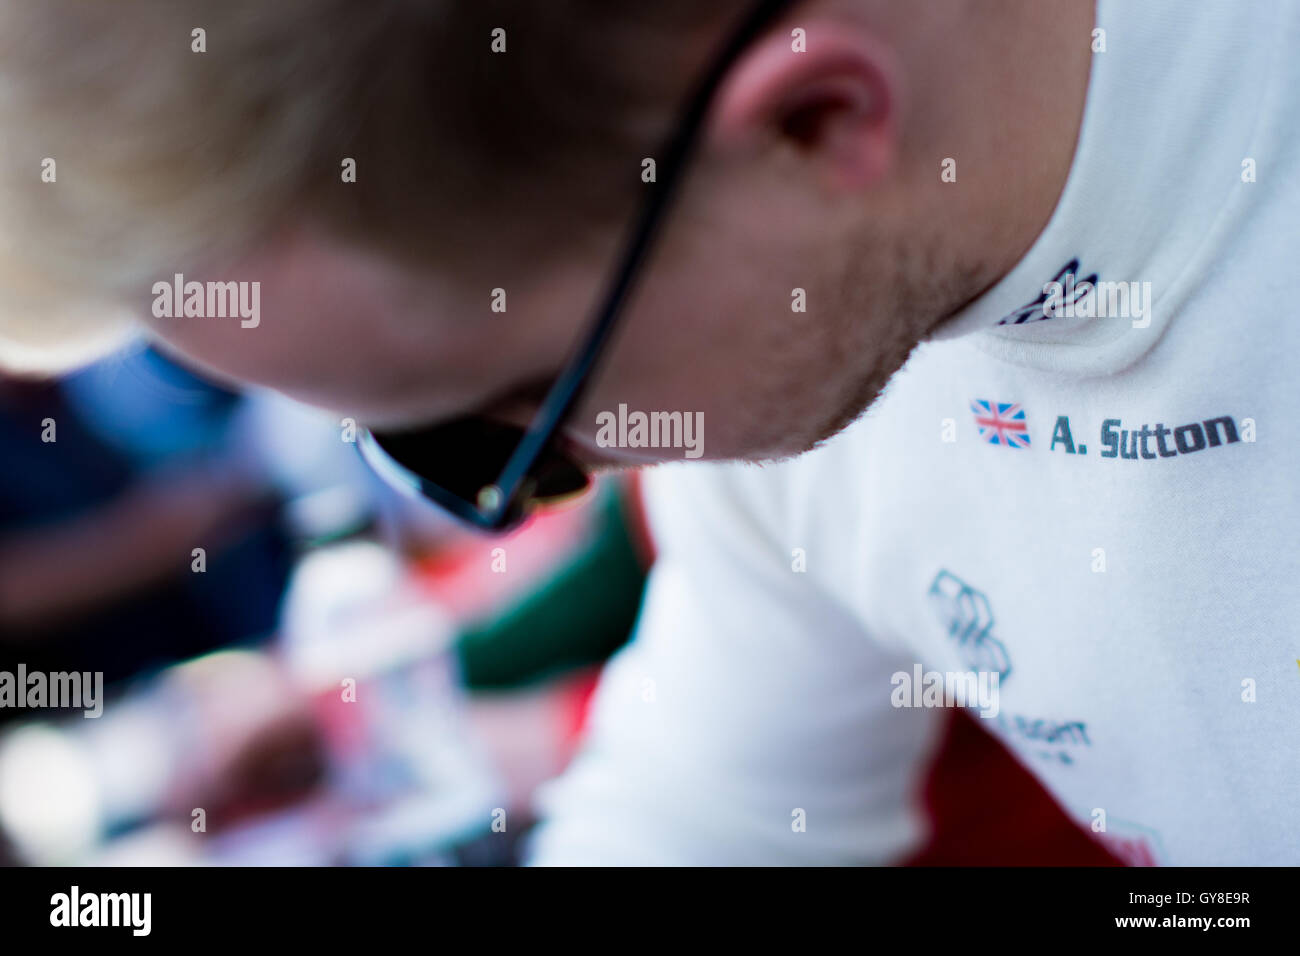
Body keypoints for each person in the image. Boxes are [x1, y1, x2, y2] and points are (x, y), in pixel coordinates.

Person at [0, 0, 1295, 864]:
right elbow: (706, 812)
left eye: (496, 418)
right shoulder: (820, 354)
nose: (507, 500)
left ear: (819, 124)